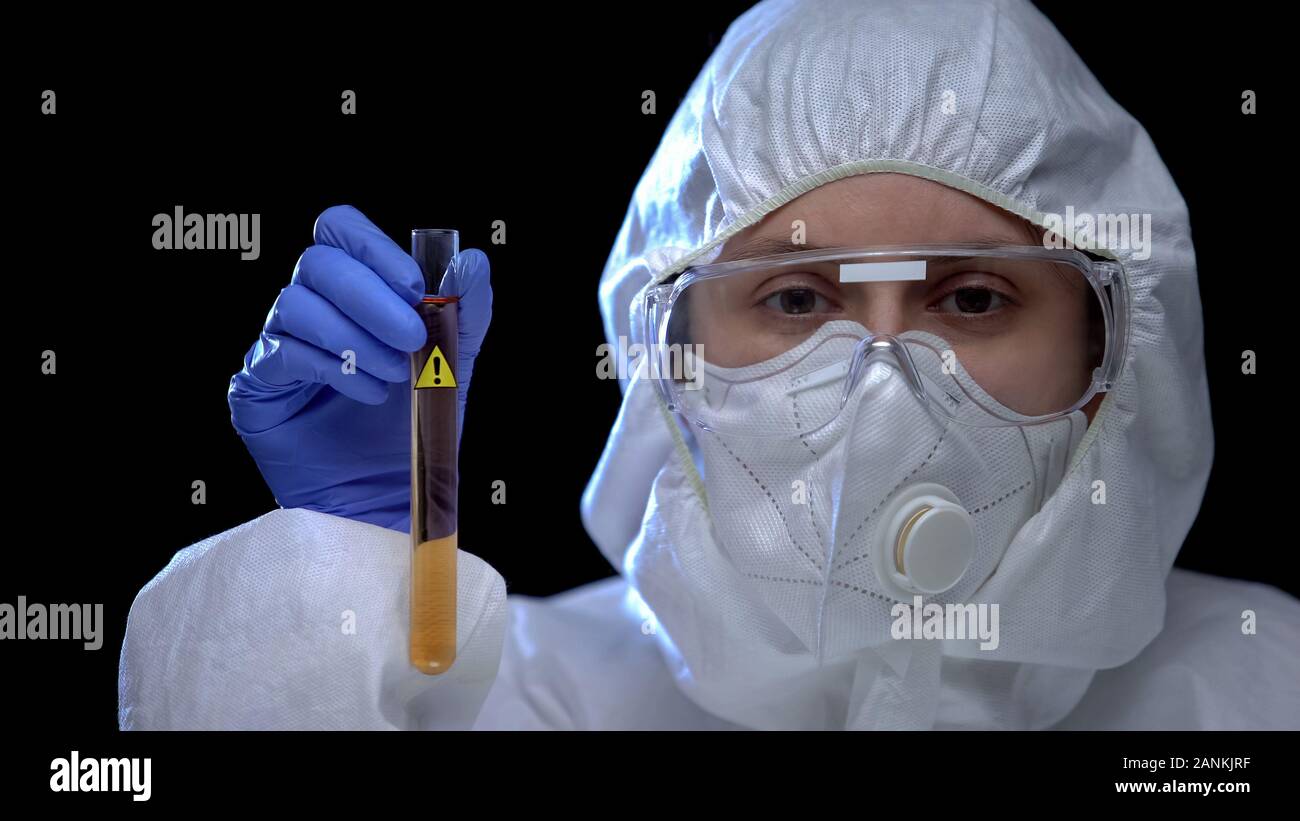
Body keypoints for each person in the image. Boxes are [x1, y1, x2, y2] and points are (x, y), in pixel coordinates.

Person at [118, 0, 1300, 730]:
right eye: (792, 297)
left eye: (973, 296)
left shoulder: (1260, 690)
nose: (882, 383)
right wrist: (339, 579)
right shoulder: (504, 700)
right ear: (663, 354)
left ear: (1115, 347)